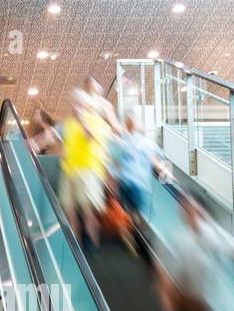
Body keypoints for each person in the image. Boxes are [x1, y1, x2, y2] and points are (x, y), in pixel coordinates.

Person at [108, 111, 170, 254]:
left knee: (133, 212)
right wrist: (112, 182)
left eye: (133, 120)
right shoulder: (128, 141)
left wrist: (165, 173)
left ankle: (131, 237)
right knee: (133, 212)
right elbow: (115, 162)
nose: (132, 123)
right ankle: (132, 238)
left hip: (132, 183)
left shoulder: (138, 141)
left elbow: (156, 161)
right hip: (130, 182)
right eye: (130, 120)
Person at [59, 90, 111, 252]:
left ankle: (93, 248)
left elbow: (90, 137)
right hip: (69, 172)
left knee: (88, 211)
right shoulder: (70, 123)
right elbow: (66, 143)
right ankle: (75, 249)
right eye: (74, 103)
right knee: (70, 210)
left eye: (79, 103)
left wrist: (82, 119)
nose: (75, 106)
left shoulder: (98, 122)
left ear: (87, 105)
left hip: (88, 171)